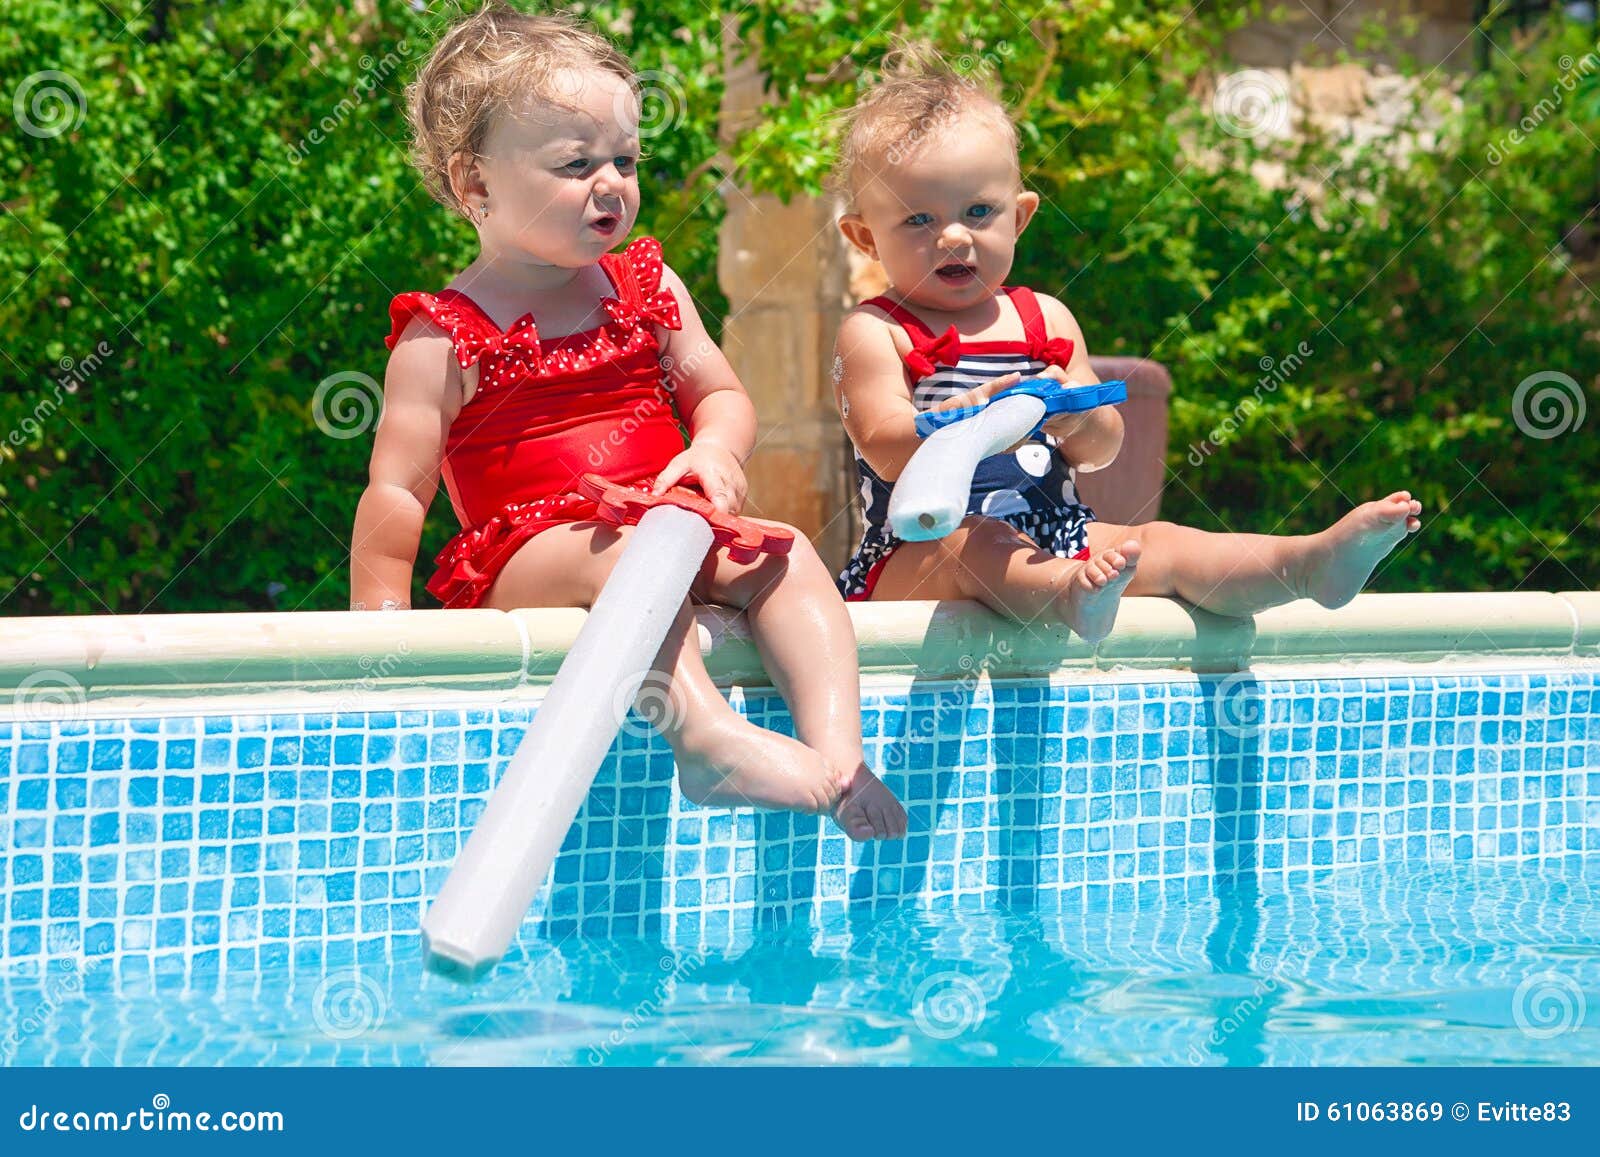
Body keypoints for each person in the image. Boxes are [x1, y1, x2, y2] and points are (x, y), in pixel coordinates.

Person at [349, 5, 905, 840]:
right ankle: (708, 739)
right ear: (477, 185)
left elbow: (720, 395)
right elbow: (396, 492)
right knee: (631, 550)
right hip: (534, 551)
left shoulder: (645, 288)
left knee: (784, 554)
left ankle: (837, 756)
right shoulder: (446, 336)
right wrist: (377, 644)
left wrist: (715, 449)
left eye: (624, 158)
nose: (610, 181)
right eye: (576, 163)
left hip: (667, 520)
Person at [828, 47, 1423, 640]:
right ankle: (1068, 598)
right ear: (865, 238)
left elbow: (1102, 446)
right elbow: (883, 448)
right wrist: (958, 420)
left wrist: (1073, 420)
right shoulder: (877, 331)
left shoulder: (1046, 320)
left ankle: (1304, 565)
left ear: (1020, 217)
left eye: (979, 211)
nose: (954, 236)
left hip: (1054, 533)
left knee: (1158, 543)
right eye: (918, 220)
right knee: (980, 543)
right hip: (919, 554)